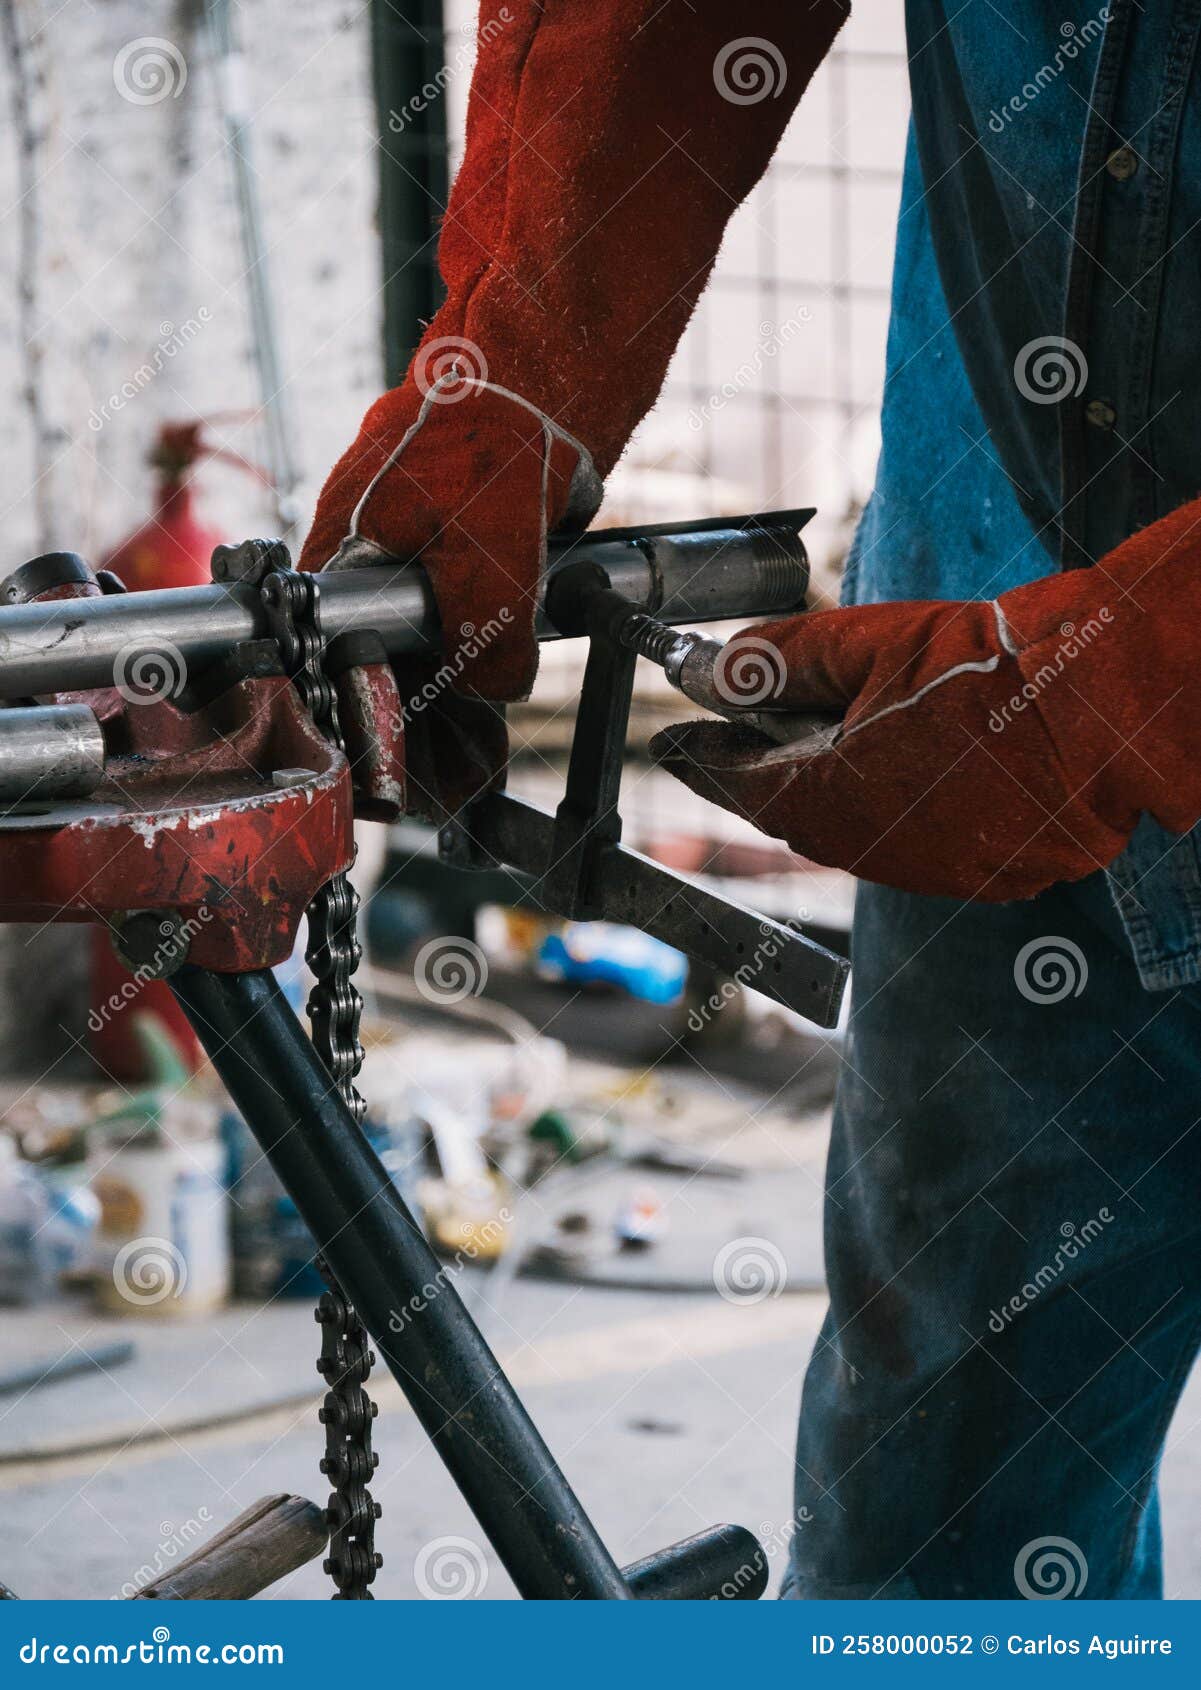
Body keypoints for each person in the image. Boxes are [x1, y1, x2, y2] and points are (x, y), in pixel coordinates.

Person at [301, 3, 1201, 1599]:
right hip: (991, 605)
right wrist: (515, 367)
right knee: (948, 1547)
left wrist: (1136, 685)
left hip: (1062, 652)